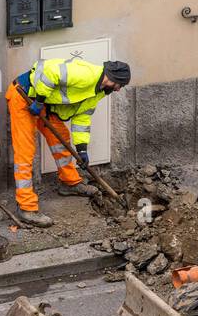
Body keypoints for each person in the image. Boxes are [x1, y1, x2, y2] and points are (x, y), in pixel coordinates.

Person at [8, 56, 131, 226]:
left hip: (43, 105)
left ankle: (69, 183)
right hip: (24, 97)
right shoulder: (86, 74)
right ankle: (26, 208)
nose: (118, 90)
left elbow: (82, 119)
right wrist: (39, 100)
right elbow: (48, 70)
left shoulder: (99, 91)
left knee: (61, 138)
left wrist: (82, 150)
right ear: (112, 78)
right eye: (120, 85)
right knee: (25, 153)